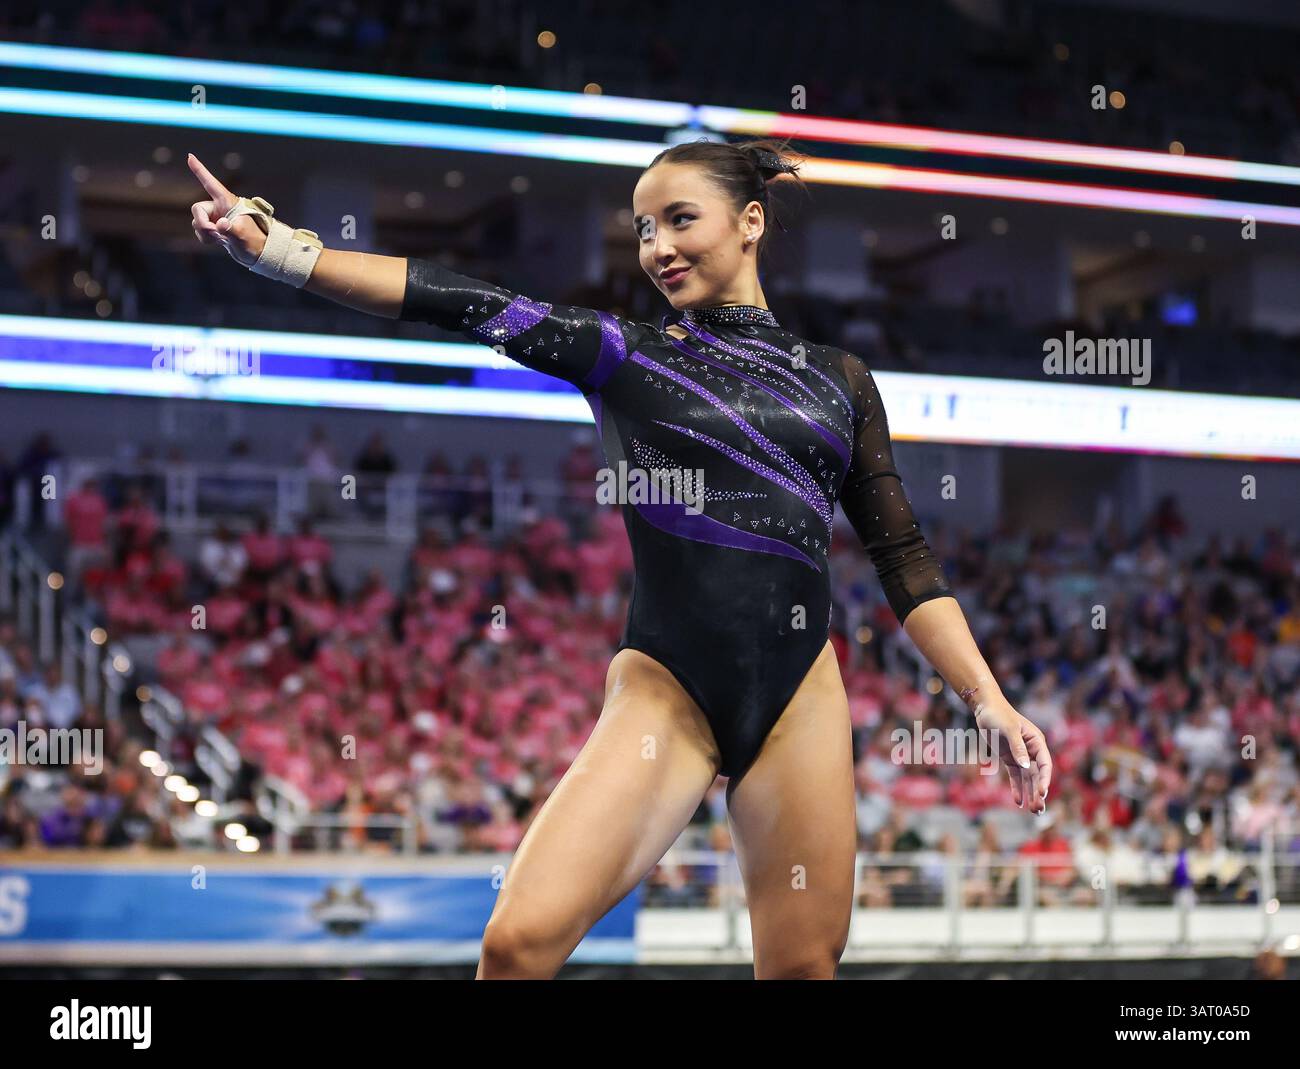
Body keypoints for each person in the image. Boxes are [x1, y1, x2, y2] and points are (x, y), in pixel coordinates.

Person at [188, 138, 1052, 980]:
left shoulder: (842, 379)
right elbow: (458, 299)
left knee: (799, 965)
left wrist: (988, 699)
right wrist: (286, 255)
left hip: (797, 694)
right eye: (643, 229)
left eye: (680, 220)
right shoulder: (627, 354)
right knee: (517, 944)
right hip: (670, 687)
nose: (658, 248)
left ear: (751, 220)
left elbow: (903, 557)